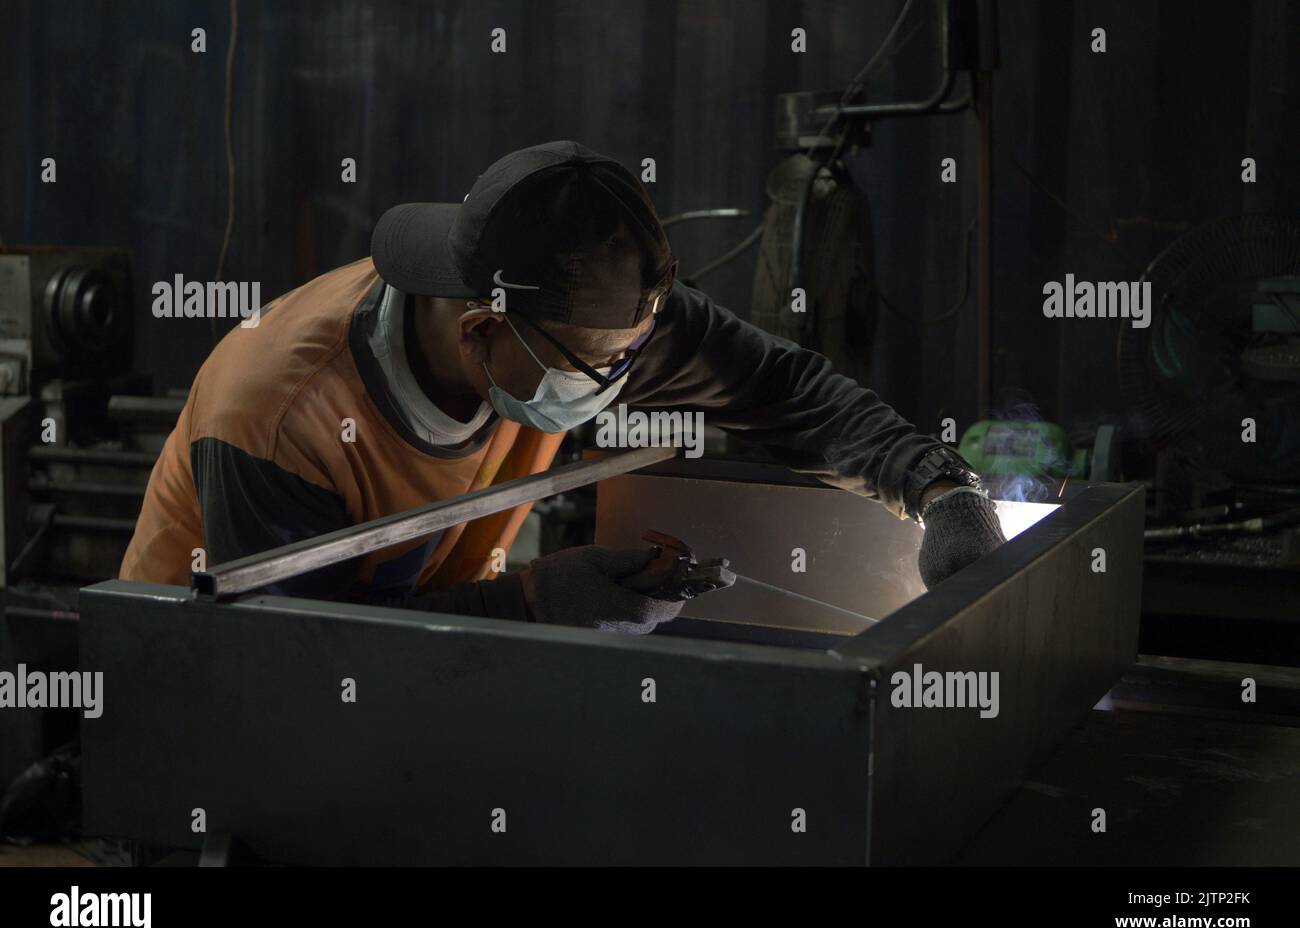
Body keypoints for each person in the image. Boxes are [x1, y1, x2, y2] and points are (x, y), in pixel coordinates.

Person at [120, 141, 1004, 633]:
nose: (623, 382)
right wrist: (534, 602)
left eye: (636, 354)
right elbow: (313, 671)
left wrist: (937, 486)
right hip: (206, 707)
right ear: (481, 330)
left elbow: (786, 390)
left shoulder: (589, 317)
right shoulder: (277, 416)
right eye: (601, 370)